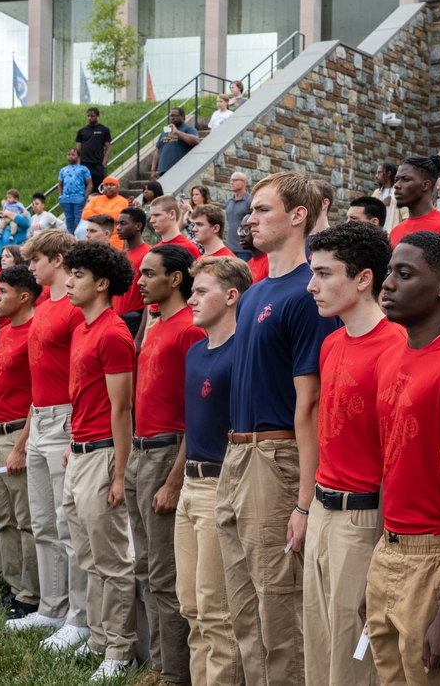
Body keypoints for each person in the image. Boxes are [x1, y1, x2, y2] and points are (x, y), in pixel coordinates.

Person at [215, 171, 340, 686]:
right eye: (251, 211)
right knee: (242, 601)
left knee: (279, 606)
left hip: (278, 458)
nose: (250, 218)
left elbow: (310, 406)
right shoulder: (253, 291)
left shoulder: (309, 292)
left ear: (297, 217)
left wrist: (304, 500)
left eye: (262, 209)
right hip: (236, 453)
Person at [365, 231, 440, 686]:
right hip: (390, 550)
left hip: (437, 555)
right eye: (390, 270)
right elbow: (390, 465)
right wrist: (377, 563)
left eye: (405, 273)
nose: (387, 283)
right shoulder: (392, 354)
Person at [304, 222, 404, 686]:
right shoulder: (329, 342)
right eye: (311, 273)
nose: (312, 286)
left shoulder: (396, 347)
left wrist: (383, 539)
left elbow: (394, 456)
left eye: (324, 274)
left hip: (363, 518)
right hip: (323, 509)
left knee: (354, 657)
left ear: (363, 279)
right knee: (320, 644)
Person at [7, 230, 90, 654]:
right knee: (43, 522)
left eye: (36, 259)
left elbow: (80, 371)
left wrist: (75, 427)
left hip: (64, 418)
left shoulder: (74, 310)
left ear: (57, 260)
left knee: (66, 523)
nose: (31, 267)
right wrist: (25, 437)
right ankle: (52, 606)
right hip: (39, 417)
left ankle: (80, 617)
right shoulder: (42, 304)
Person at [60, 241, 139, 679]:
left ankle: (119, 651)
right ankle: (97, 639)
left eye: (78, 276)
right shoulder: (81, 328)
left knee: (112, 561)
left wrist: (119, 475)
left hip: (105, 454)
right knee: (89, 557)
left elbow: (121, 408)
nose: (68, 282)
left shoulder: (112, 332)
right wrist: (74, 444)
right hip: (80, 451)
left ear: (102, 283)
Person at [129, 244, 206, 686]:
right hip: (141, 452)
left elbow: (195, 415)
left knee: (164, 572)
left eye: (149, 273)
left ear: (175, 279)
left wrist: (174, 480)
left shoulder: (188, 331)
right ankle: (160, 663)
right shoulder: (155, 324)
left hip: (166, 454)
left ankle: (175, 673)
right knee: (145, 568)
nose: (139, 281)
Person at [176, 255, 253, 686]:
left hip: (222, 486)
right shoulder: (193, 350)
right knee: (191, 607)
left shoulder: (245, 351)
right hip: (190, 483)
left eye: (201, 291)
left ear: (231, 296)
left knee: (217, 612)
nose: (191, 299)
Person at [0, 266, 41, 618]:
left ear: (24, 296)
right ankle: (15, 586)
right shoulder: (2, 330)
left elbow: (39, 393)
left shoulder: (35, 331)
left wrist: (21, 445)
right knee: (4, 517)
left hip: (20, 432)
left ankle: (31, 594)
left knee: (25, 519)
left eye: (2, 291)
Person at [389, 156, 440, 247]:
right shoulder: (395, 232)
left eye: (406, 179)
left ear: (425, 185)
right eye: (396, 180)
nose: (396, 185)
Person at [112, 208, 152, 338]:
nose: (118, 227)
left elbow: (149, 300)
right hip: (117, 317)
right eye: (117, 223)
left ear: (138, 226)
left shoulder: (148, 255)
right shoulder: (123, 255)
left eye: (123, 223)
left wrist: (140, 336)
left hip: (134, 319)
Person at [151, 108, 200, 180]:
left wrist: (177, 132)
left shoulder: (189, 129)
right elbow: (157, 151)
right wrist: (153, 170)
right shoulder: (165, 132)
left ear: (183, 117)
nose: (172, 118)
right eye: (171, 116)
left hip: (180, 170)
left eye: (174, 116)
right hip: (164, 171)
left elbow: (196, 140)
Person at [82, 178, 127, 250]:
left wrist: (97, 209)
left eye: (112, 185)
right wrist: (106, 213)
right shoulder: (95, 199)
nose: (108, 187)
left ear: (118, 187)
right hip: (92, 237)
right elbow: (85, 214)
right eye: (106, 185)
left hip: (113, 238)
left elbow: (115, 216)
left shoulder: (122, 201)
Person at [57, 148, 93, 236]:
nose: (71, 157)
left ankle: (81, 238)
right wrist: (60, 196)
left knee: (79, 219)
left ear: (78, 156)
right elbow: (60, 184)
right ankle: (69, 239)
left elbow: (89, 184)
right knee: (69, 219)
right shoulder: (63, 170)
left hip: (79, 197)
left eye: (73, 155)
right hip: (66, 198)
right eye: (69, 155)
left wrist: (85, 197)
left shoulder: (83, 169)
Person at [76, 107, 112, 192]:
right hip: (85, 164)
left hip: (98, 164)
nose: (89, 118)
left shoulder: (104, 130)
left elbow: (108, 148)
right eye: (88, 116)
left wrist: (103, 164)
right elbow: (78, 150)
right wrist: (78, 165)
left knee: (100, 190)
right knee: (85, 189)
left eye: (92, 116)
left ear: (98, 116)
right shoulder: (81, 131)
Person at [373, 161, 409, 232]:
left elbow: (406, 216)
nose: (376, 176)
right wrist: (382, 204)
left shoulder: (398, 191)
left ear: (388, 173)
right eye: (377, 173)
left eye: (380, 172)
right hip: (378, 233)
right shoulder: (377, 193)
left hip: (394, 233)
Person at [224, 172, 252, 259]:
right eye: (231, 180)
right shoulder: (228, 201)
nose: (232, 182)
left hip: (244, 249)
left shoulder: (250, 200)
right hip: (229, 248)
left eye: (235, 180)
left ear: (244, 182)